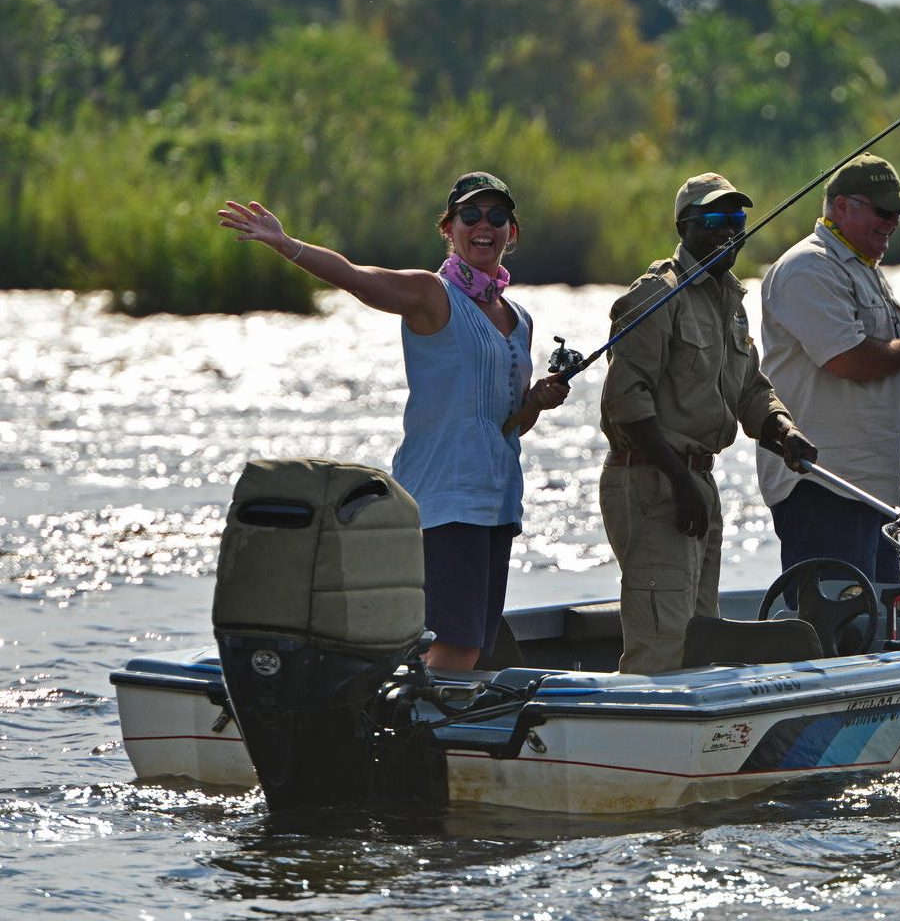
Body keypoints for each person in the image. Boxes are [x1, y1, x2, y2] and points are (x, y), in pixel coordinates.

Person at [216, 172, 570, 671]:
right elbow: (359, 278)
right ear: (448, 228)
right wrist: (286, 244)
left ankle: (412, 724)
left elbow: (508, 425)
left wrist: (535, 401)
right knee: (458, 645)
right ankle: (399, 736)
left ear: (513, 232)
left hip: (497, 502)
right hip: (445, 500)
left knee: (469, 647)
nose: (483, 226)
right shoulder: (431, 294)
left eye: (497, 217)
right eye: (470, 216)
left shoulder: (519, 319)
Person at [599, 172, 816, 674]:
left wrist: (783, 430)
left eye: (736, 220)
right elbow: (626, 404)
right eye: (713, 220)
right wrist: (678, 481)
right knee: (663, 643)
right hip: (654, 481)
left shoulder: (730, 302)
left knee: (700, 637)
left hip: (698, 482)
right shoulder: (656, 294)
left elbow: (751, 390)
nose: (727, 231)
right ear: (683, 226)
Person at [757, 153, 900, 588]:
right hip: (823, 487)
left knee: (875, 628)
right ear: (841, 207)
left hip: (870, 493)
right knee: (834, 632)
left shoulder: (862, 269)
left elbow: (870, 365)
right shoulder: (808, 268)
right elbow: (848, 359)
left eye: (898, 213)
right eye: (883, 211)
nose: (893, 221)